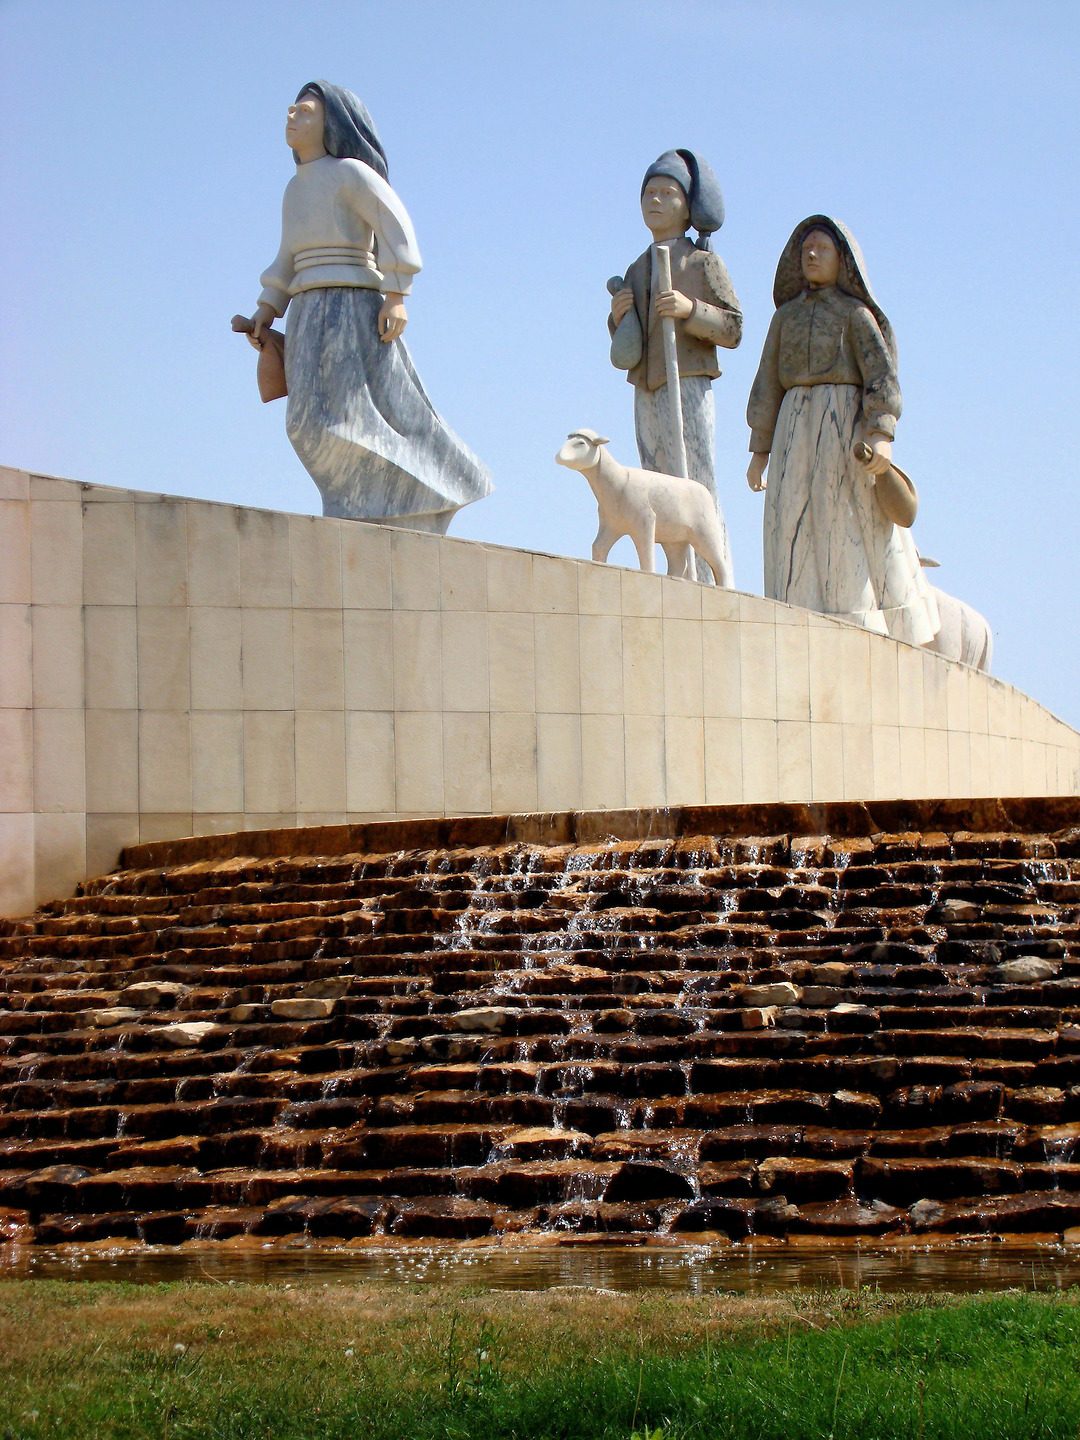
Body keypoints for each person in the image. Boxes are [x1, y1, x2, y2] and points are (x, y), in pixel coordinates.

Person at [241, 81, 492, 532]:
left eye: (305, 111)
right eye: (291, 110)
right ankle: (353, 505)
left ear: (332, 122)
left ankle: (414, 498)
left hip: (351, 307)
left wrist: (397, 295)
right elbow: (287, 255)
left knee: (350, 418)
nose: (292, 117)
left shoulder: (351, 174)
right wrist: (268, 306)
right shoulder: (294, 190)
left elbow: (397, 230)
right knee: (305, 425)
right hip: (306, 312)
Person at [746, 216, 938, 644]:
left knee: (844, 526)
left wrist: (880, 431)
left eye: (822, 249)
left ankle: (856, 622)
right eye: (806, 249)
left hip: (841, 426)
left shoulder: (855, 315)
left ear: (843, 261)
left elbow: (880, 377)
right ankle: (796, 617)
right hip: (793, 430)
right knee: (791, 524)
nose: (812, 255)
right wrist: (761, 447)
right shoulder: (785, 319)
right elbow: (767, 383)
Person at [608, 149, 742, 583]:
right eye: (650, 192)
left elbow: (734, 328)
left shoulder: (702, 263)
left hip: (688, 383)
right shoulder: (636, 267)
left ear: (688, 206)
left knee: (696, 484)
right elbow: (626, 348)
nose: (656, 201)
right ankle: (675, 573)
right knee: (655, 483)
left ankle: (713, 576)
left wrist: (690, 309)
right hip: (646, 388)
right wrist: (618, 317)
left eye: (667, 193)